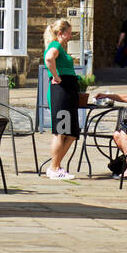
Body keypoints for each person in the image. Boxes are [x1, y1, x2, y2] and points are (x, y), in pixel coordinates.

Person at [43, 19, 81, 180]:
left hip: (68, 92)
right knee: (61, 131)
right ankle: (54, 168)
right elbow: (49, 59)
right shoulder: (55, 45)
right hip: (62, 92)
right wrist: (56, 77)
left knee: (72, 133)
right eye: (69, 33)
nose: (70, 36)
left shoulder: (60, 47)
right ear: (60, 33)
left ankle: (56, 165)